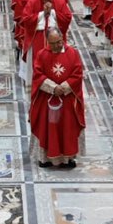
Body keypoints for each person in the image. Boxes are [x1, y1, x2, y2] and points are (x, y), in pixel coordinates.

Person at [29, 28, 85, 168]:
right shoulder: (42, 55)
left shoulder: (72, 53)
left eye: (59, 42)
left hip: (67, 99)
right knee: (48, 128)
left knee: (67, 128)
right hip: (48, 99)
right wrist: (53, 88)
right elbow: (37, 75)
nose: (57, 46)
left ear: (62, 38)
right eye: (53, 43)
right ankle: (46, 158)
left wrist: (64, 87)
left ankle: (67, 159)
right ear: (48, 42)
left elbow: (77, 73)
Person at [19, 0, 73, 86]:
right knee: (38, 62)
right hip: (37, 38)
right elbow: (25, 19)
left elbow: (67, 18)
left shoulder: (60, 2)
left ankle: (56, 82)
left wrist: (53, 13)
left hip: (55, 39)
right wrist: (41, 14)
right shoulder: (32, 2)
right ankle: (37, 84)